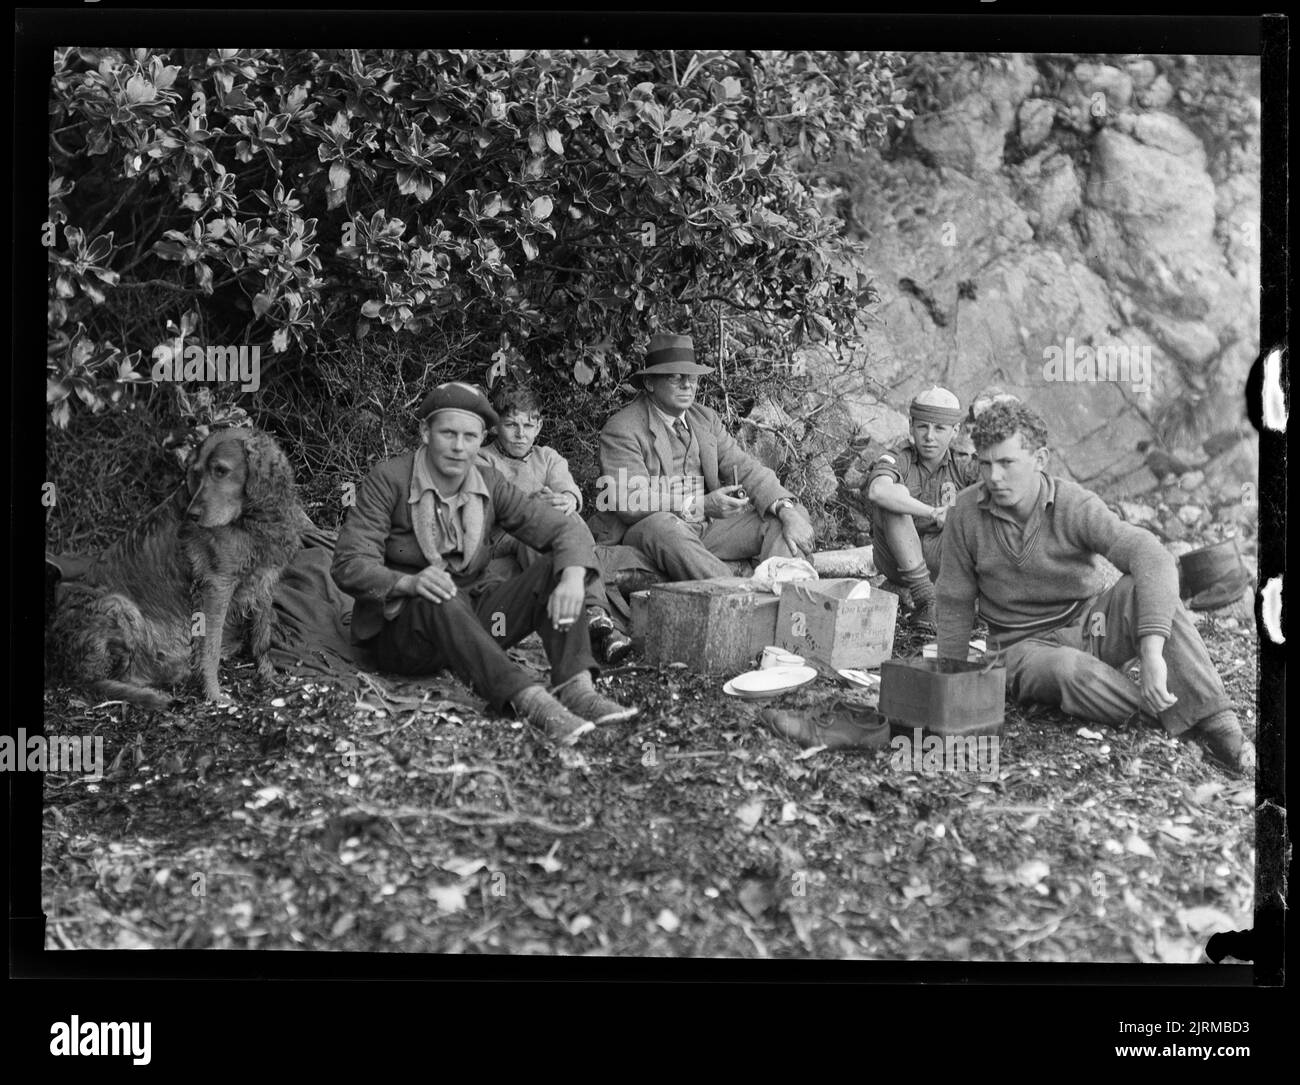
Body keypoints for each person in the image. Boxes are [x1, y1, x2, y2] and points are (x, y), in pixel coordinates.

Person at [936, 399, 1255, 774]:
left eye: (1007, 463)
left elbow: (1151, 555)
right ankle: (1161, 717)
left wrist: (1152, 652)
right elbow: (954, 599)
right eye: (985, 463)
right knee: (1068, 670)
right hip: (1022, 648)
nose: (994, 477)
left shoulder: (1073, 503)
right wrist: (949, 680)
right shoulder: (965, 513)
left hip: (1093, 626)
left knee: (1150, 589)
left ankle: (1221, 726)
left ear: (1040, 458)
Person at [331, 381, 637, 746]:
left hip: (475, 627)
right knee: (439, 595)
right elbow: (348, 562)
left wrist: (572, 579)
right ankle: (532, 703)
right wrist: (407, 583)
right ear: (425, 432)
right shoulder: (390, 479)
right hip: (406, 638)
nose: (459, 447)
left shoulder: (488, 481)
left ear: (481, 440)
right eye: (448, 434)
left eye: (470, 437)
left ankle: (576, 688)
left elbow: (561, 531)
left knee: (557, 565)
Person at [596, 332, 816, 581]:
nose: (687, 384)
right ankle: (742, 596)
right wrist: (699, 505)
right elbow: (629, 500)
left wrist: (785, 509)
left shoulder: (705, 419)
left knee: (788, 517)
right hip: (651, 531)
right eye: (675, 377)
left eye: (691, 377)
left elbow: (744, 467)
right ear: (650, 384)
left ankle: (785, 596)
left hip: (708, 529)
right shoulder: (622, 428)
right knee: (665, 527)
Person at [477, 384, 632, 664]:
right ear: (494, 426)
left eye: (528, 424)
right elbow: (487, 509)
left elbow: (567, 488)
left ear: (539, 426)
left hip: (543, 533)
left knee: (566, 520)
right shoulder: (483, 459)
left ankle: (595, 620)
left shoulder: (546, 457)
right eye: (511, 424)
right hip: (501, 536)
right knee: (542, 529)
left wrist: (567, 500)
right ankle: (595, 611)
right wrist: (531, 504)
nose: (520, 433)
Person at [865, 385, 978, 628]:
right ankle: (927, 599)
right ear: (911, 426)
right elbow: (878, 490)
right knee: (894, 497)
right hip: (896, 558)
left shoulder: (964, 465)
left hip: (944, 558)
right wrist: (933, 512)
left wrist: (961, 514)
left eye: (939, 428)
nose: (929, 436)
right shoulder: (899, 457)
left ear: (955, 430)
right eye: (922, 426)